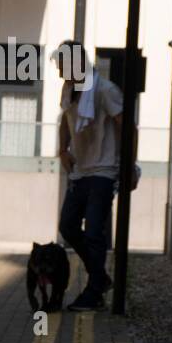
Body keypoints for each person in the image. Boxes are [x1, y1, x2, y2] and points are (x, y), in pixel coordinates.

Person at [55, 41, 123, 311]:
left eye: (63, 65)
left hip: (103, 171)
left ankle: (94, 291)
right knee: (68, 227)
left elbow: (127, 125)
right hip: (81, 171)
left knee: (94, 232)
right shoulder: (70, 89)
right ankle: (101, 278)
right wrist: (62, 149)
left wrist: (128, 167)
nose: (60, 72)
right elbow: (65, 118)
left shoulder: (105, 90)